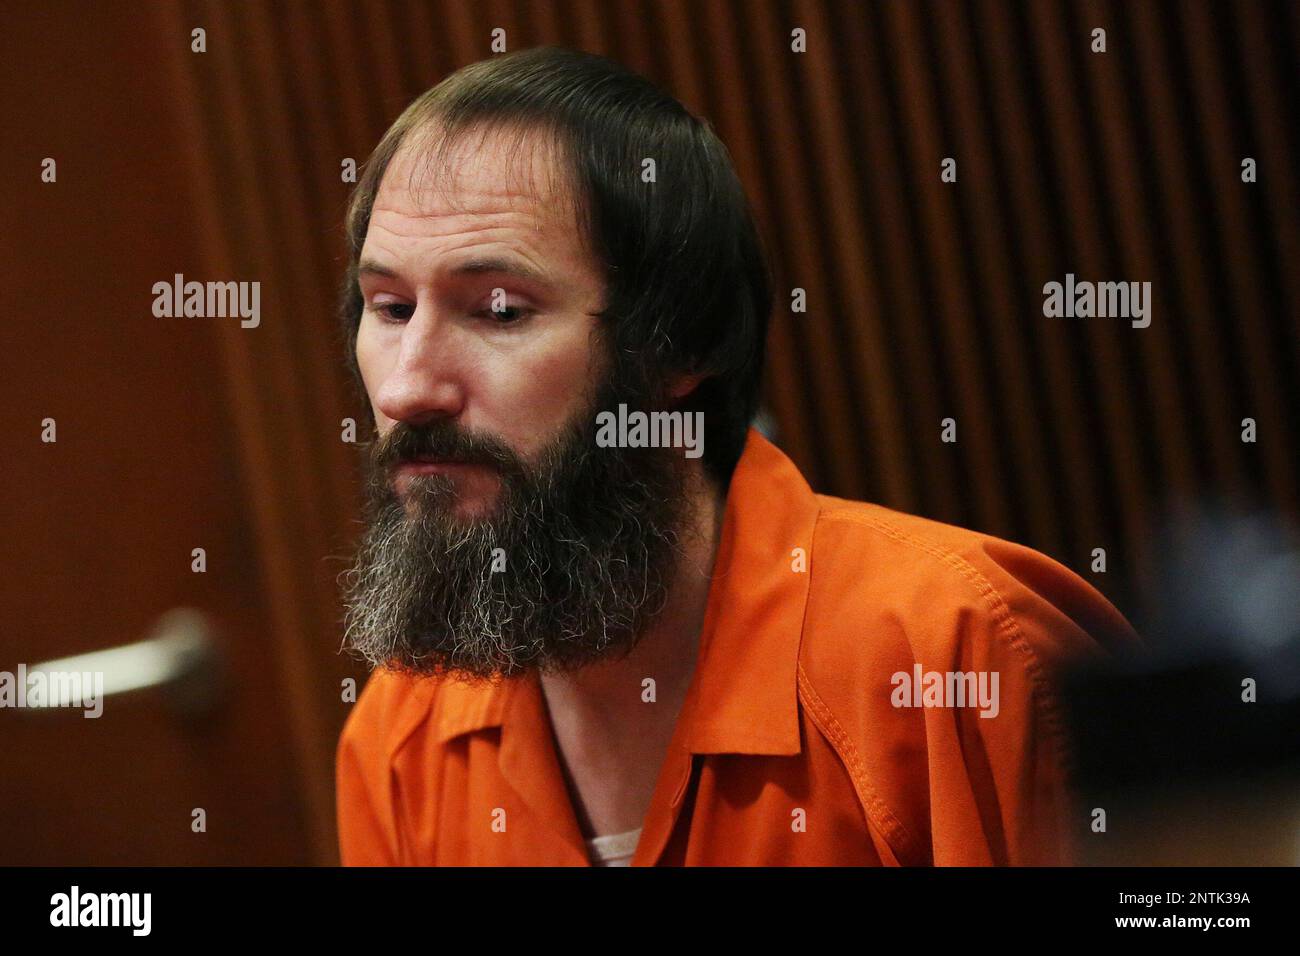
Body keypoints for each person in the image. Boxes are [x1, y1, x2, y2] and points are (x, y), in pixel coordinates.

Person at [334, 46, 1138, 866]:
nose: (407, 389)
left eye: (500, 311)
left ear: (677, 343)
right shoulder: (400, 744)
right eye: (390, 308)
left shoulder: (957, 653)